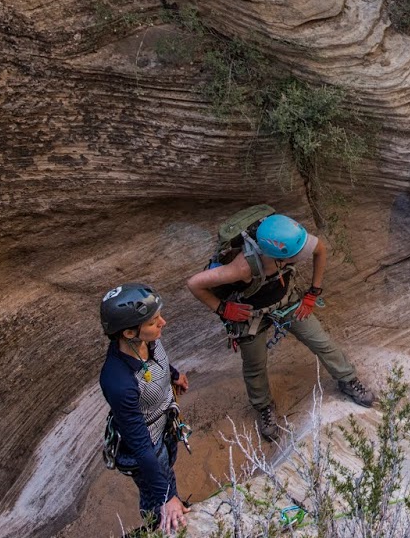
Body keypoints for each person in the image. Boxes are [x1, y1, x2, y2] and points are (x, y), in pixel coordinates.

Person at [187, 211, 374, 442]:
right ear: (279, 255)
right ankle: (263, 407)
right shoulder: (242, 268)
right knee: (255, 365)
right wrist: (223, 309)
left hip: (288, 303)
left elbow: (320, 249)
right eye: (297, 255)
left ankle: (348, 379)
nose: (302, 255)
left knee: (321, 341)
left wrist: (312, 293)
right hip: (251, 316)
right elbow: (195, 283)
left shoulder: (292, 240)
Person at [99, 283, 189, 536]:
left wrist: (173, 375)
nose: (163, 322)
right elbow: (141, 447)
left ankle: (169, 500)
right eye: (153, 321)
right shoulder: (119, 381)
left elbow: (158, 361)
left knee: (167, 469)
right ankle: (156, 526)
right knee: (155, 494)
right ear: (129, 333)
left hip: (164, 429)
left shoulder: (147, 340)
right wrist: (166, 496)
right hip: (146, 444)